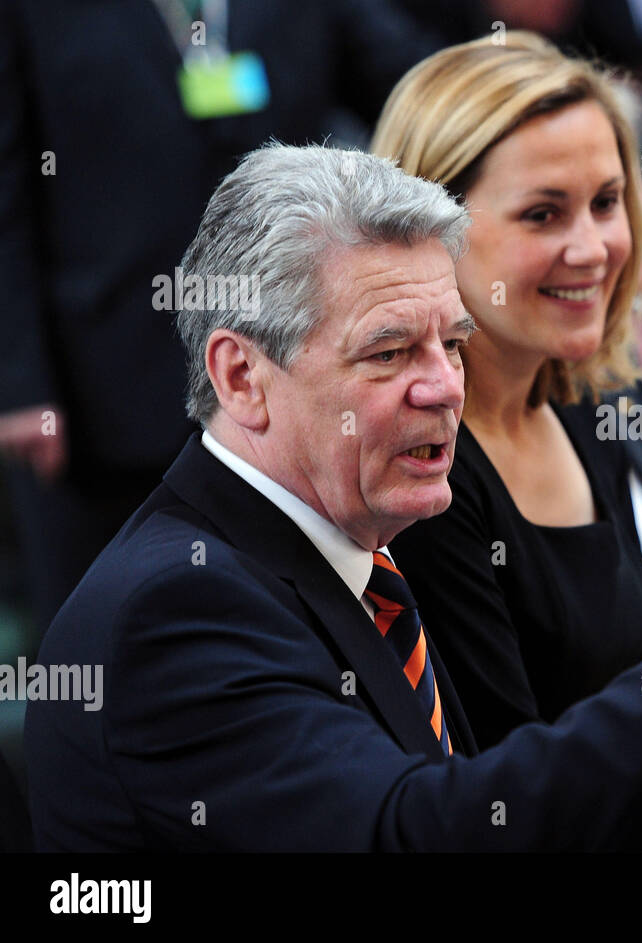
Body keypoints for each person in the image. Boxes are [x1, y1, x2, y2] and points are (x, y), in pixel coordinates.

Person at [23, 143, 642, 851]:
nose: (443, 387)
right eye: (388, 352)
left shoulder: (354, 546)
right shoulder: (176, 607)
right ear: (242, 375)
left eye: (452, 344)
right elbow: (415, 833)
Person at [375, 33, 642, 851]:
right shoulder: (419, 469)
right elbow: (520, 805)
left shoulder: (598, 394)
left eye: (607, 202)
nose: (593, 247)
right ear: (432, 228)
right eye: (543, 213)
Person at [0, 0, 437, 634]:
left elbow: (416, 90)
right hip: (100, 386)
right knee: (104, 635)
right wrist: (20, 385)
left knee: (284, 622)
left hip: (287, 378)